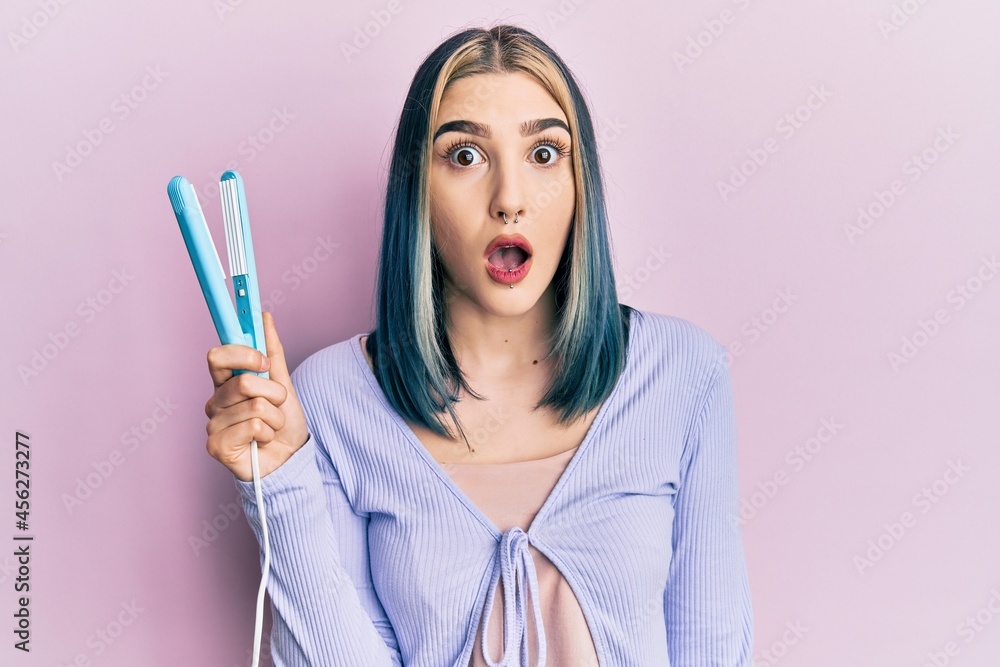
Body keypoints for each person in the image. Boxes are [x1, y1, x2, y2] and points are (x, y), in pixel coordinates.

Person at [203, 24, 753, 667]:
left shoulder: (683, 375)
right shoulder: (329, 399)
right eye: (465, 157)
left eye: (544, 154)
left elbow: (711, 647)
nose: (510, 201)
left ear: (582, 186)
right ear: (419, 192)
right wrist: (280, 485)